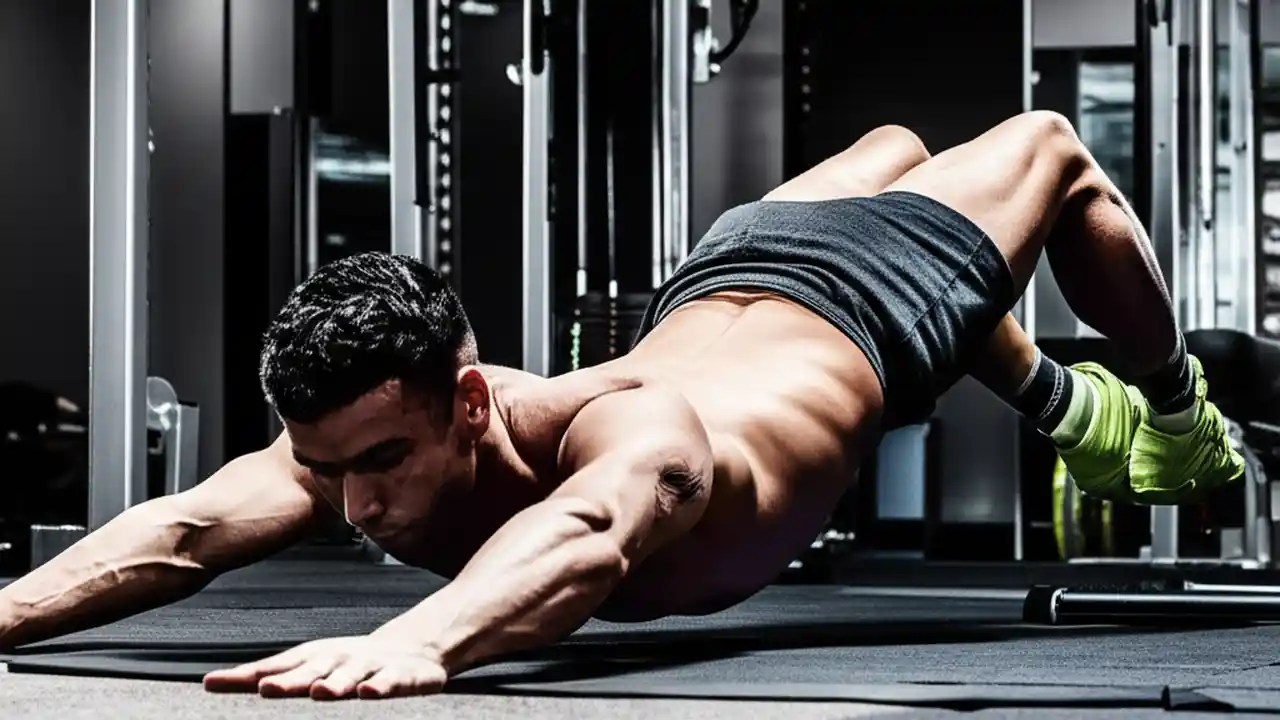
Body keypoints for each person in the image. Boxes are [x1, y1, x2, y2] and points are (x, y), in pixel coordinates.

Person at [0, 111, 1243, 700]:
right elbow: (181, 531)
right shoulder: (352, 454)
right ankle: (1067, 410)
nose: (354, 504)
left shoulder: (635, 434)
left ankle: (1172, 421)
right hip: (732, 261)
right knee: (894, 141)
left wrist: (414, 643)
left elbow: (591, 534)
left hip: (862, 313)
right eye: (327, 472)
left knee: (1048, 144)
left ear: (471, 402)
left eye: (380, 461)